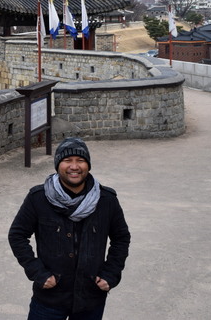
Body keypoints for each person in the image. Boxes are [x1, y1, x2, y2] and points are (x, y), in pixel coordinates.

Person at [8, 137, 130, 320]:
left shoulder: (106, 200)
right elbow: (17, 235)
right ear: (58, 165)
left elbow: (121, 237)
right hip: (49, 298)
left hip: (90, 297)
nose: (74, 166)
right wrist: (38, 273)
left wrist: (111, 274)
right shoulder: (38, 198)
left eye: (80, 160)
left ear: (88, 165)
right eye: (67, 160)